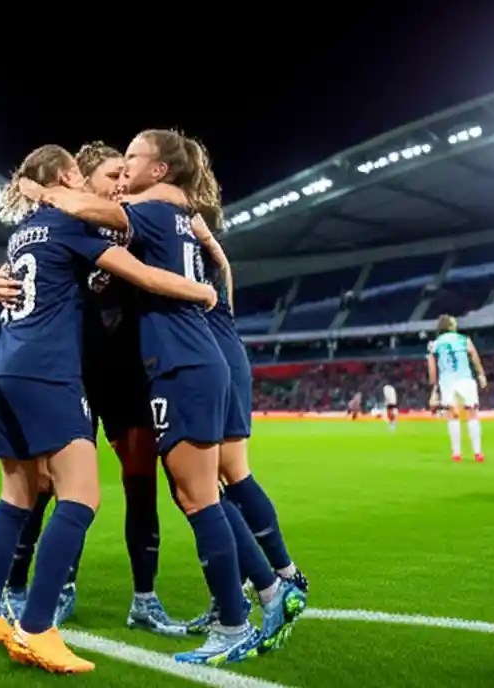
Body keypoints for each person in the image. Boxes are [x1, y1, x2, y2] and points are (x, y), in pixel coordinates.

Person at [0, 144, 216, 674]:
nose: (114, 182)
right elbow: (146, 276)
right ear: (66, 178)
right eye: (91, 174)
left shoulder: (25, 230)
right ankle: (37, 629)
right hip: (49, 370)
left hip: (1, 366)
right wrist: (204, 293)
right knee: (80, 497)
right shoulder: (78, 224)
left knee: (16, 495)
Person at [18, 128, 262, 665]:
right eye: (113, 171)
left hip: (160, 369)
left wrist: (45, 191)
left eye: (129, 164)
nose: (120, 178)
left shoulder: (142, 217)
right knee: (186, 492)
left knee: (187, 493)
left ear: (156, 172)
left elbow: (150, 274)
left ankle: (237, 608)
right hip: (118, 368)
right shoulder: (137, 219)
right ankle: (254, 599)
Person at [184, 204, 309, 654]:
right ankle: (269, 581)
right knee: (225, 478)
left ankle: (277, 580)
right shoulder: (205, 253)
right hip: (224, 347)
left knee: (217, 481)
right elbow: (225, 281)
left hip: (210, 356)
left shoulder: (181, 238)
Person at [426, 316, 486, 462]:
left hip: (447, 382)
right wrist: (481, 374)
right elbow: (474, 355)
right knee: (472, 414)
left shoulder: (435, 344)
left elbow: (432, 367)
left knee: (452, 416)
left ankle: (457, 453)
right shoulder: (464, 339)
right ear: (451, 325)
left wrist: (434, 386)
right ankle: (477, 452)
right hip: (466, 379)